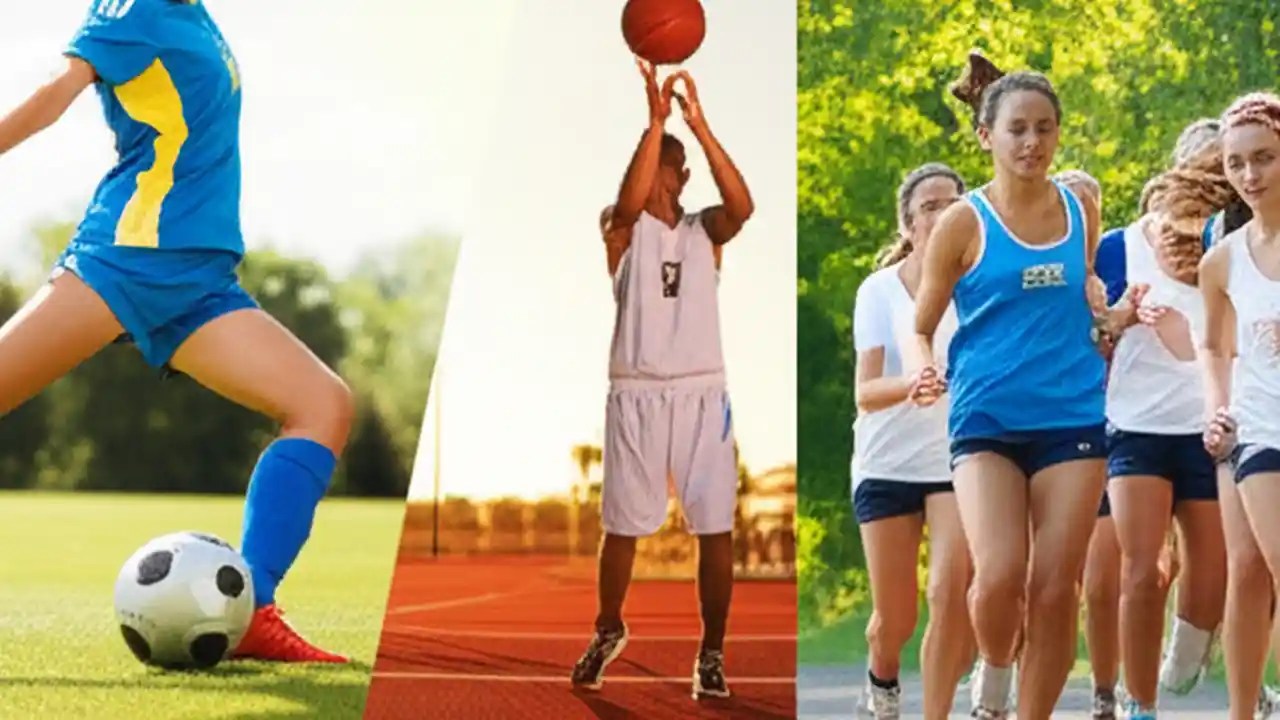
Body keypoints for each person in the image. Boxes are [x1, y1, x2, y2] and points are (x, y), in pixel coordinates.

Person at [0, 1, 351, 661]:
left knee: (322, 404)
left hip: (199, 279)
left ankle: (252, 608)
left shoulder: (194, 12)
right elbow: (53, 94)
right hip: (127, 259)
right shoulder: (128, 6)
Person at [912, 51, 1124, 719]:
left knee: (1056, 589)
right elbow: (923, 323)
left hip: (1072, 413)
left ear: (1058, 132)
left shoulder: (1080, 206)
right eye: (1017, 129)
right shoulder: (962, 222)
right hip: (987, 419)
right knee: (1000, 575)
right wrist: (924, 365)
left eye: (1044, 128)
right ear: (986, 136)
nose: (1032, 142)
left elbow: (1085, 297)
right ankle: (997, 665)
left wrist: (1110, 319)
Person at [570, 58, 754, 700]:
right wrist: (653, 123)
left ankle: (711, 652)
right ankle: (608, 627)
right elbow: (626, 200)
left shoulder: (706, 231)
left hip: (702, 392)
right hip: (637, 391)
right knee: (621, 526)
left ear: (681, 176)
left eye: (663, 165)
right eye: (647, 163)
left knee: (715, 526)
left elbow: (744, 206)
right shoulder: (620, 227)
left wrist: (696, 125)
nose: (652, 175)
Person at [1097, 127, 1237, 719]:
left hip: (1211, 425)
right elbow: (1094, 337)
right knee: (1141, 571)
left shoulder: (1236, 241)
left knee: (1212, 574)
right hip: (1137, 426)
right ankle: (1140, 703)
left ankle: (1185, 655)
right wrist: (1122, 318)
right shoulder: (1120, 247)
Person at [851, 162, 973, 719]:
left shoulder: (978, 287)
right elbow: (865, 392)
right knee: (894, 620)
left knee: (950, 594)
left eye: (952, 204)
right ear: (908, 224)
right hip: (887, 464)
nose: (942, 214)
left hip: (955, 462)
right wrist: (912, 385)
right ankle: (882, 681)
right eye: (929, 206)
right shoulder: (879, 291)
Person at [1200, 91, 1280, 720]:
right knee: (1253, 568)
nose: (1249, 175)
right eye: (1236, 163)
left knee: (1256, 572)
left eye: (1264, 158)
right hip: (1261, 429)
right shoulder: (1222, 261)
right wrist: (1217, 406)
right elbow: (1212, 344)